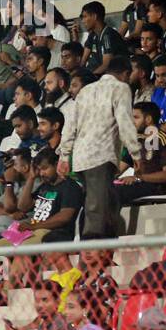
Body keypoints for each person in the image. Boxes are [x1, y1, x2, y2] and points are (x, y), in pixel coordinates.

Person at [59, 56, 140, 238]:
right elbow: (125, 123)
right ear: (125, 73)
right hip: (100, 156)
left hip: (81, 158)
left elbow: (70, 126)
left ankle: (106, 251)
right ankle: (92, 257)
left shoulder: (86, 91)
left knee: (107, 204)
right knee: (96, 210)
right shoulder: (120, 88)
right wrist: (136, 154)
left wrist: (64, 157)